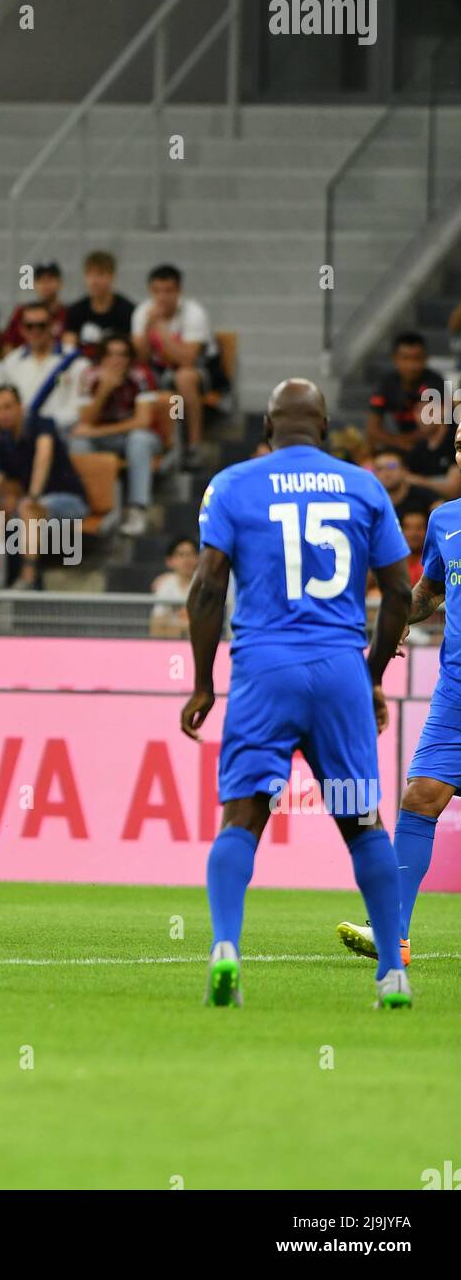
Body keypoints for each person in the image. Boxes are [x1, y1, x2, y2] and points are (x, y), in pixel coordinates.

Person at [181, 378, 413, 1009]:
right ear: (325, 425)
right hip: (338, 670)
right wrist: (370, 677)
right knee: (363, 824)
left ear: (268, 425)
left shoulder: (232, 485)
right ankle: (392, 972)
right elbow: (397, 593)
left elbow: (206, 587)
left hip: (264, 669)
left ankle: (226, 947)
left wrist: (203, 680)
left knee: (244, 815)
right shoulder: (363, 486)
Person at [337, 417, 461, 971]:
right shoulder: (445, 521)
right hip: (455, 688)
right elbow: (430, 590)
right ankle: (394, 934)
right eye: (458, 443)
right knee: (421, 796)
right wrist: (396, 619)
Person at [0, 384, 88, 590]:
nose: (3, 414)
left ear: (20, 407)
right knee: (3, 516)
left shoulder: (41, 424)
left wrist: (33, 495)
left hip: (69, 501)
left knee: (26, 508)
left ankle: (28, 575)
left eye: (8, 407)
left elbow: (43, 456)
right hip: (35, 507)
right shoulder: (3, 441)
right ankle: (2, 581)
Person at [68, 333, 160, 536]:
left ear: (130, 358)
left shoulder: (142, 375)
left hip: (136, 436)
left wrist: (97, 431)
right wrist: (104, 390)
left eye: (123, 355)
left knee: (139, 439)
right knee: (78, 443)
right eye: (111, 355)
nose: (117, 360)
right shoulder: (89, 376)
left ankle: (138, 508)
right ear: (102, 358)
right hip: (102, 438)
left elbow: (143, 421)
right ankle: (91, 506)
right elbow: (85, 421)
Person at [131, 263, 211, 469]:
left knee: (183, 378)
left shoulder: (194, 313)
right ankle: (165, 446)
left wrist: (162, 332)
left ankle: (193, 445)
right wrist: (148, 328)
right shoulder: (143, 313)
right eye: (157, 291)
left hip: (198, 372)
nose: (162, 297)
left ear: (178, 291)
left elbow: (187, 359)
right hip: (160, 371)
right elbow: (141, 357)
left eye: (168, 291)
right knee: (136, 375)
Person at [1, 300, 85, 431]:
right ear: (21, 329)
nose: (35, 331)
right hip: (22, 433)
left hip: (62, 431)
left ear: (52, 326)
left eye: (42, 325)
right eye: (29, 326)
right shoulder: (11, 362)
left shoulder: (75, 361)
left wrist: (47, 424)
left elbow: (80, 405)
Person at [366, 332, 443, 454]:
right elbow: (373, 429)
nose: (411, 365)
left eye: (417, 358)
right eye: (405, 358)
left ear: (425, 359)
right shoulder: (386, 384)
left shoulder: (435, 384)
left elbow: (436, 427)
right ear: (395, 359)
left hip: (431, 447)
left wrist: (403, 441)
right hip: (399, 444)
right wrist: (398, 442)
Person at [64, 250, 134, 359]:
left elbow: (131, 348)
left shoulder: (127, 311)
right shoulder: (75, 310)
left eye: (100, 274)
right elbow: (69, 345)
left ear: (112, 276)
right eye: (89, 274)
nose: (94, 281)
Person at [1, 261, 66, 354]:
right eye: (40, 280)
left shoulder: (68, 314)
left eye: (50, 279)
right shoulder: (22, 312)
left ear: (60, 283)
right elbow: (8, 343)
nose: (45, 284)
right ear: (34, 284)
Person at [150, 536, 200, 635]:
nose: (187, 559)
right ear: (170, 561)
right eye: (181, 555)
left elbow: (204, 630)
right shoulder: (165, 585)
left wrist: (173, 625)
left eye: (191, 554)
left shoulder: (205, 586)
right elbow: (156, 629)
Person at [371, 449, 435, 522]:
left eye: (392, 467)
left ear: (405, 470)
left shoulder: (426, 498)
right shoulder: (370, 500)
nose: (386, 474)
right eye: (379, 469)